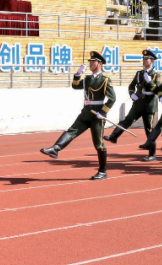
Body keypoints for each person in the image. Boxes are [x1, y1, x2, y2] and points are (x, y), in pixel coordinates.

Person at [40, 51, 116, 180]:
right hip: (86, 112)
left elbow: (112, 98)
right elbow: (75, 86)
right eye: (90, 62)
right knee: (72, 131)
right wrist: (77, 74)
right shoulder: (87, 79)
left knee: (99, 144)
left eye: (93, 62)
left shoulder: (105, 80)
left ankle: (103, 171)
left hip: (97, 114)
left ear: (100, 63)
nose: (90, 64)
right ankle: (55, 149)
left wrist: (103, 112)